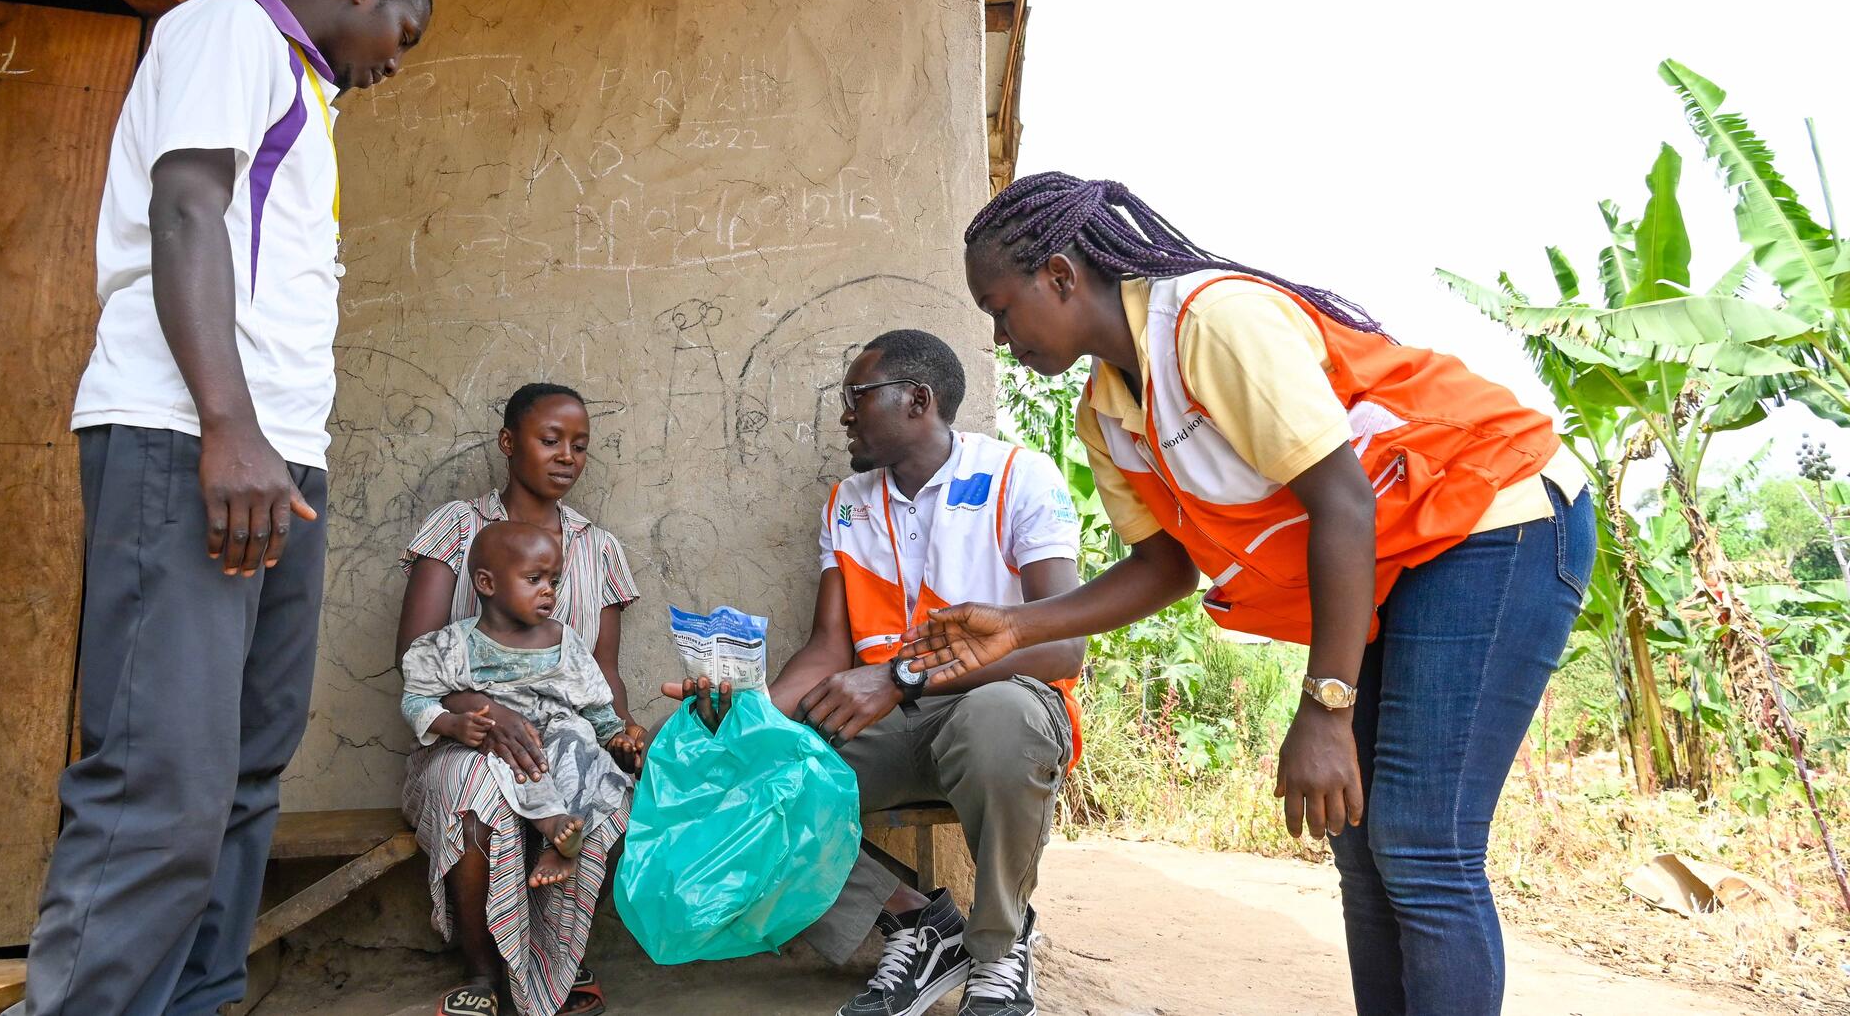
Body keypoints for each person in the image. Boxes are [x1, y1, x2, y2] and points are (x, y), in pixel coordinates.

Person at [903, 172, 1597, 1016]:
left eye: (1001, 308)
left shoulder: (1208, 323)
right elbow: (1165, 566)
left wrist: (1327, 706)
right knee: (1362, 847)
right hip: (1397, 559)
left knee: (1421, 843)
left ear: (1059, 275)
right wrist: (1016, 625)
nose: (1001, 335)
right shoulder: (1109, 413)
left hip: (1494, 515)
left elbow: (1343, 500)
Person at [9, 0, 432, 1016]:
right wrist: (226, 425)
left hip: (277, 456)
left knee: (246, 768)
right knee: (164, 772)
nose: (397, 63)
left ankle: (199, 997)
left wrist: (270, 442)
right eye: (403, 34)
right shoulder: (228, 28)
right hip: (187, 437)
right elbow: (186, 205)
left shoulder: (307, 93)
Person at [669, 329, 1085, 1016]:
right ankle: (919, 920)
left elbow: (1062, 647)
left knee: (1000, 717)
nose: (844, 414)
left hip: (996, 708)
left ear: (918, 399)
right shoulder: (847, 502)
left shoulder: (1019, 477)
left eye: (857, 396)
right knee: (746, 764)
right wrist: (746, 715)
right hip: (886, 718)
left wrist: (899, 677)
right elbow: (829, 649)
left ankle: (999, 945)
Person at [396, 383, 642, 1016]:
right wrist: (487, 712)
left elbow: (603, 674)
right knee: (481, 789)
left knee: (596, 779)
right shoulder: (457, 527)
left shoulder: (599, 549)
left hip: (558, 732)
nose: (566, 456)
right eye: (549, 440)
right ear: (509, 444)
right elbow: (416, 655)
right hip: (466, 734)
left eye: (579, 446)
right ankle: (482, 970)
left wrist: (620, 732)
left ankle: (551, 959)